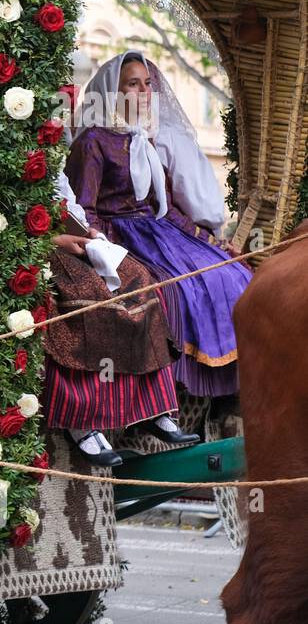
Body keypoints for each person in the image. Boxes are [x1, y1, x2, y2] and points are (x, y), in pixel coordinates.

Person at [65, 51, 250, 402]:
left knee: (226, 271)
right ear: (112, 93)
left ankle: (230, 388)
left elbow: (162, 207)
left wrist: (208, 239)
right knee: (174, 289)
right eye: (133, 85)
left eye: (148, 84)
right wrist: (99, 244)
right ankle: (173, 392)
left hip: (156, 229)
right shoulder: (92, 141)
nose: (144, 92)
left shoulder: (145, 140)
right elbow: (83, 208)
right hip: (117, 233)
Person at [43, 172, 201, 466]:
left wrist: (90, 233)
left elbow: (67, 201)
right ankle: (82, 422)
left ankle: (152, 409)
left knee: (141, 278)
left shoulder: (49, 151)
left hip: (71, 241)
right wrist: (54, 239)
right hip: (38, 248)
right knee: (90, 297)